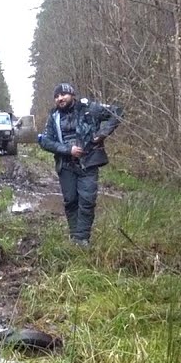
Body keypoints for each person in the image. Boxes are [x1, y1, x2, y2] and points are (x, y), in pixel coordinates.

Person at [37, 82, 120, 246]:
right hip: (65, 164)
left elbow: (117, 112)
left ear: (72, 95)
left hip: (89, 162)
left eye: (63, 94)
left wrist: (102, 134)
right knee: (70, 201)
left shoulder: (89, 108)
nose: (60, 98)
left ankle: (82, 239)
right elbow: (45, 141)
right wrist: (68, 150)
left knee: (87, 200)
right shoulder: (53, 117)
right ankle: (74, 236)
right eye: (57, 96)